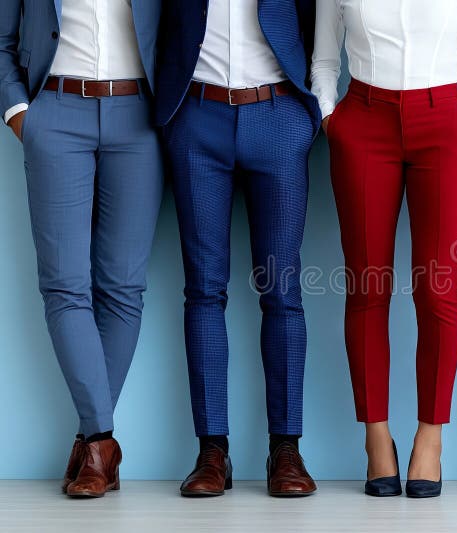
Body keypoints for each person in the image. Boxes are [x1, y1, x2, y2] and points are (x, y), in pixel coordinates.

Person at [311, 0, 457, 498]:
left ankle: (429, 439)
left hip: (444, 127)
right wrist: (332, 119)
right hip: (363, 122)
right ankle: (376, 440)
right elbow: (324, 60)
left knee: (438, 293)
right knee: (367, 289)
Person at [0, 0, 163, 498]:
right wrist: (19, 113)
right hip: (55, 113)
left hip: (139, 118)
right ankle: (100, 441)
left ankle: (91, 445)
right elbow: (3, 39)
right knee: (64, 285)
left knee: (123, 289)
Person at [156, 0, 320, 497]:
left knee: (282, 291)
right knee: (204, 290)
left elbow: (319, 21)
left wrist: (304, 115)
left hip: (278, 116)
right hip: (196, 118)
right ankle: (212, 451)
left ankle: (286, 449)